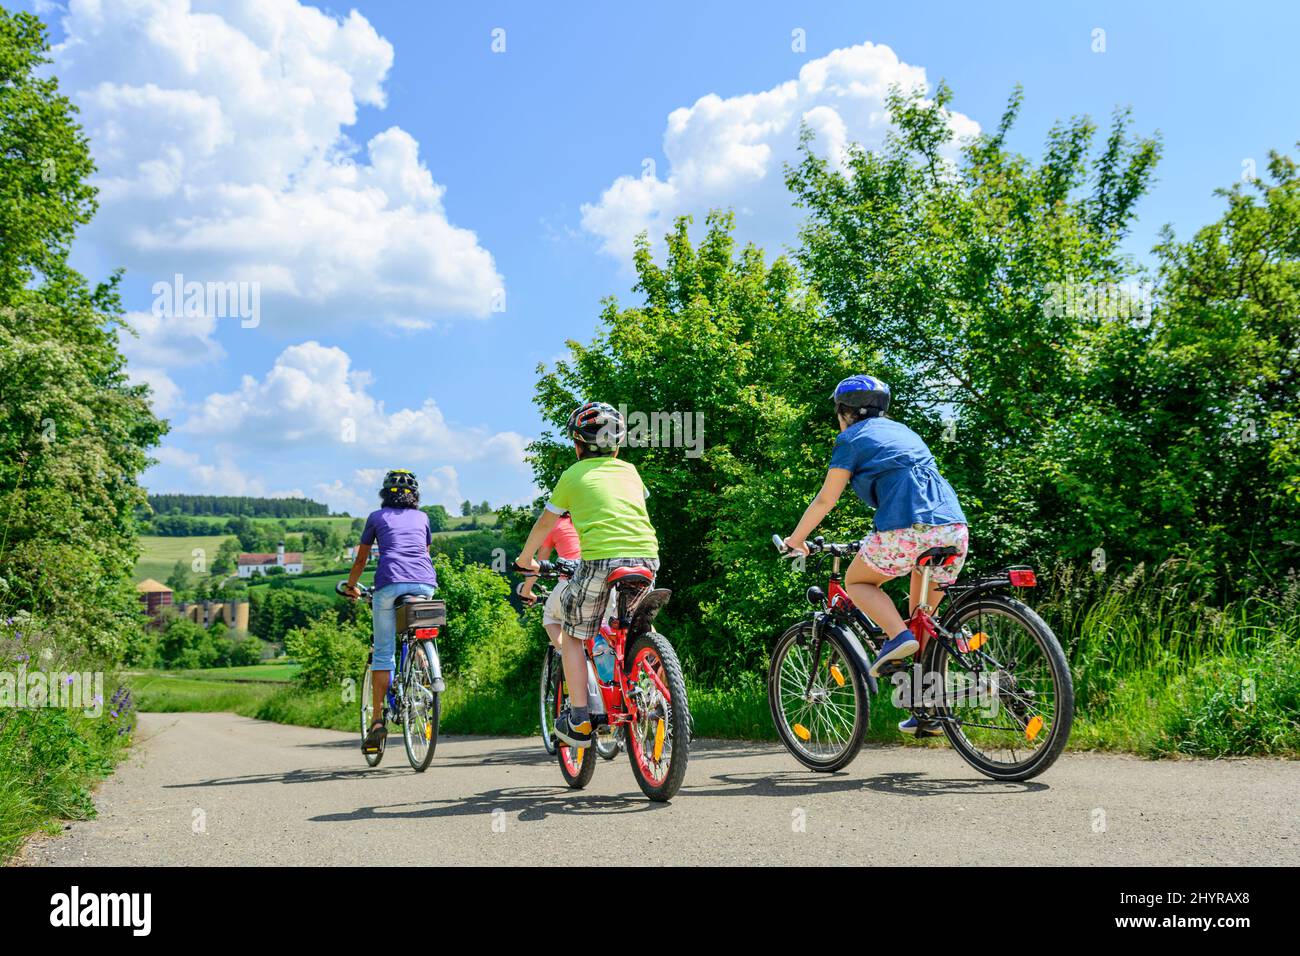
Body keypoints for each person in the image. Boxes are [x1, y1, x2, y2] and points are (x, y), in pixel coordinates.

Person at [783, 375, 969, 738]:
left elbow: (826, 499)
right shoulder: (905, 432)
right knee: (924, 622)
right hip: (952, 529)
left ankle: (896, 638)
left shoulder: (850, 438)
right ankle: (927, 709)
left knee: (858, 581)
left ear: (844, 412)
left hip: (905, 529)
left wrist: (796, 540)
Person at [515, 402, 659, 748]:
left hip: (599, 562)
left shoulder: (572, 476)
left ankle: (580, 715)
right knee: (634, 625)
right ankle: (655, 686)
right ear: (618, 445)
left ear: (577, 445)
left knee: (574, 634)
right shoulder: (631, 471)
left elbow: (545, 524)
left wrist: (525, 559)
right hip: (647, 558)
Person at [343, 468, 437, 753]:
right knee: (417, 628)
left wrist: (351, 586)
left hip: (389, 584)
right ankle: (423, 670)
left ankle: (376, 722)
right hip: (424, 585)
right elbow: (425, 553)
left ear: (384, 494)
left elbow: (360, 560)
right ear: (414, 495)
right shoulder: (423, 518)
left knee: (384, 652)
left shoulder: (376, 517)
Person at [518, 510, 581, 650]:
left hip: (572, 581)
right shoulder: (585, 518)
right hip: (605, 577)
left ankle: (568, 659)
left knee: (551, 617)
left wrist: (526, 591)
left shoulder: (555, 525)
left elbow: (538, 566)